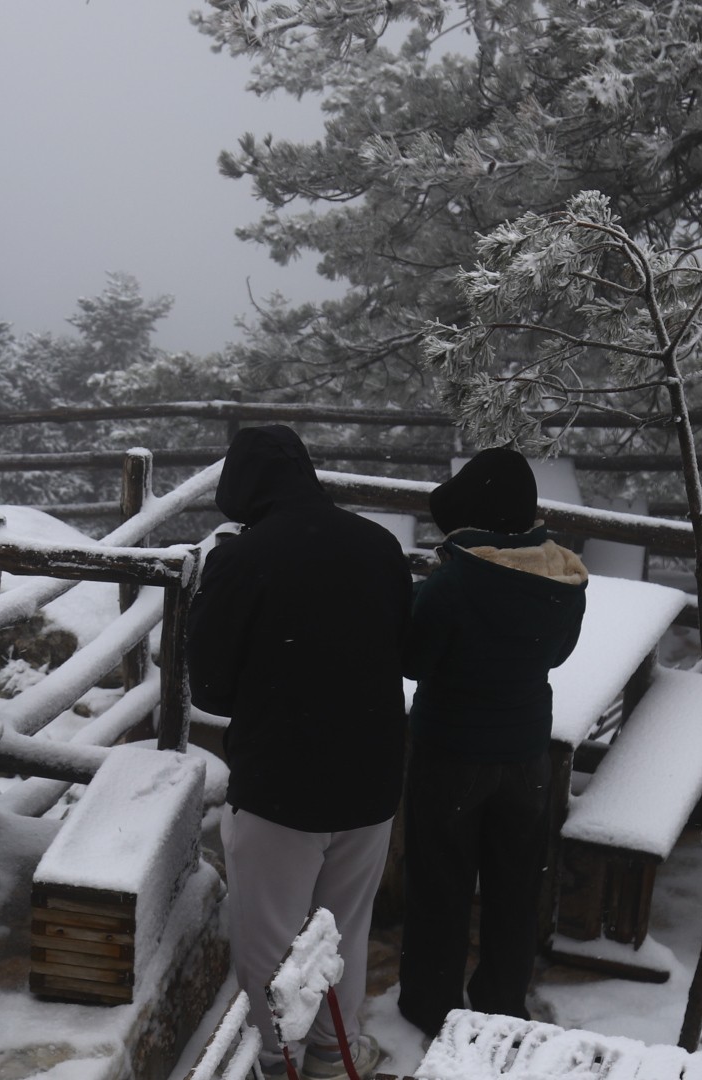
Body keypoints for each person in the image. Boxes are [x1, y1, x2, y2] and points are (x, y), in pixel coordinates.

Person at [188, 425, 414, 1079]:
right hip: (370, 778)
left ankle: (275, 1061)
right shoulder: (378, 546)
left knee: (270, 943)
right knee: (338, 935)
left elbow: (211, 688)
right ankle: (329, 1060)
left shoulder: (243, 559)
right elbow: (403, 645)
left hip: (280, 785)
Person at [395, 446, 589, 1040]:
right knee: (515, 887)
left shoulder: (455, 582)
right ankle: (503, 1002)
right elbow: (557, 653)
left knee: (440, 884)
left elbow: (412, 658)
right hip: (527, 754)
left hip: (450, 753)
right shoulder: (563, 577)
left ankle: (431, 1005)